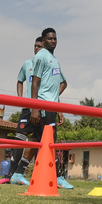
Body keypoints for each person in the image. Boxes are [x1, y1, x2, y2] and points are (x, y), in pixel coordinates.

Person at [11, 30, 70, 188]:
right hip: (40, 105)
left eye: (55, 38)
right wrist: (34, 107)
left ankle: (18, 173)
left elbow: (62, 83)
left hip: (50, 105)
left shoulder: (55, 60)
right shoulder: (40, 57)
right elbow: (34, 83)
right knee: (45, 140)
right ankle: (56, 177)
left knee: (38, 140)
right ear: (43, 41)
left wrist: (57, 105)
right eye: (49, 39)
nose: (53, 41)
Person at [0, 36, 43, 185]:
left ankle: (21, 173)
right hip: (28, 108)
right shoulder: (27, 64)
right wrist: (20, 98)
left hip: (44, 108)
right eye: (35, 46)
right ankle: (9, 176)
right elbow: (19, 81)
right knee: (19, 138)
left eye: (39, 46)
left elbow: (59, 85)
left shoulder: (48, 64)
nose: (36, 48)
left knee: (37, 141)